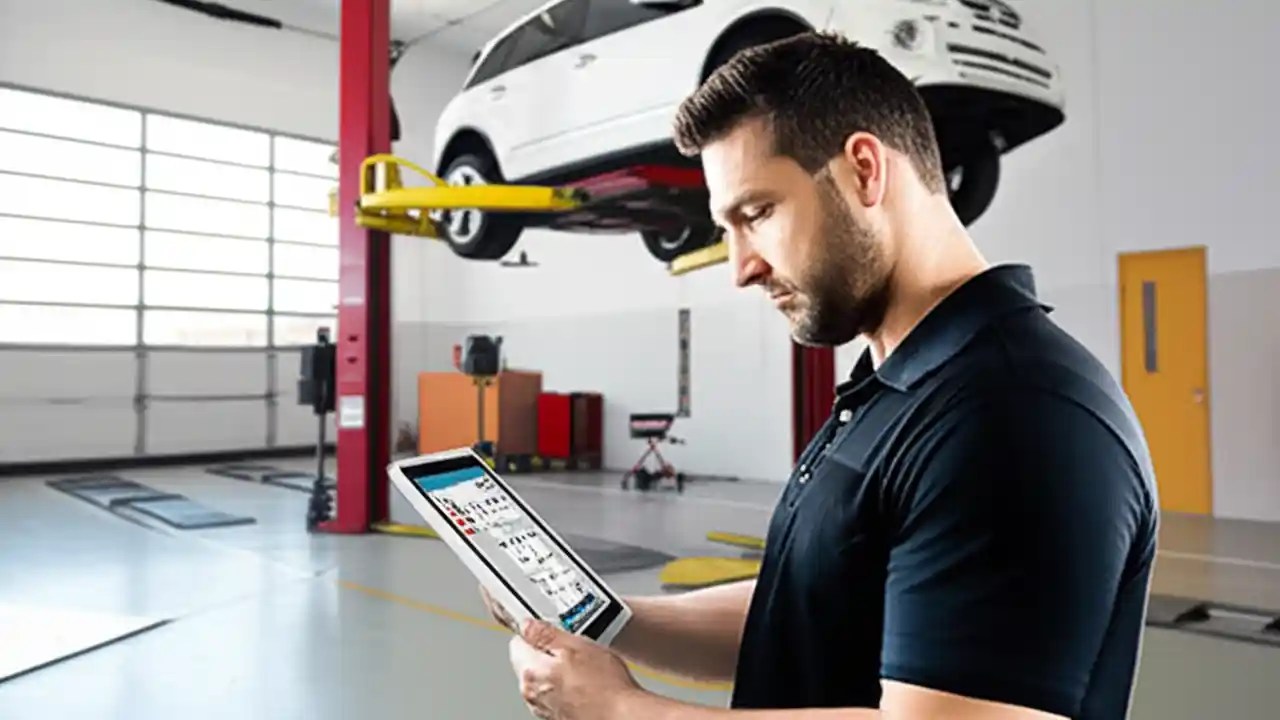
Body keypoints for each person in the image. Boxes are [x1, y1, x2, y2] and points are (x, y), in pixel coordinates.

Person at [487, 31, 1159, 720]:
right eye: (728, 228)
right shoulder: (896, 386)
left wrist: (620, 711)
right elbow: (812, 606)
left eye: (757, 213)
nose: (740, 266)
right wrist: (610, 616)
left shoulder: (1014, 413)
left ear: (865, 170)